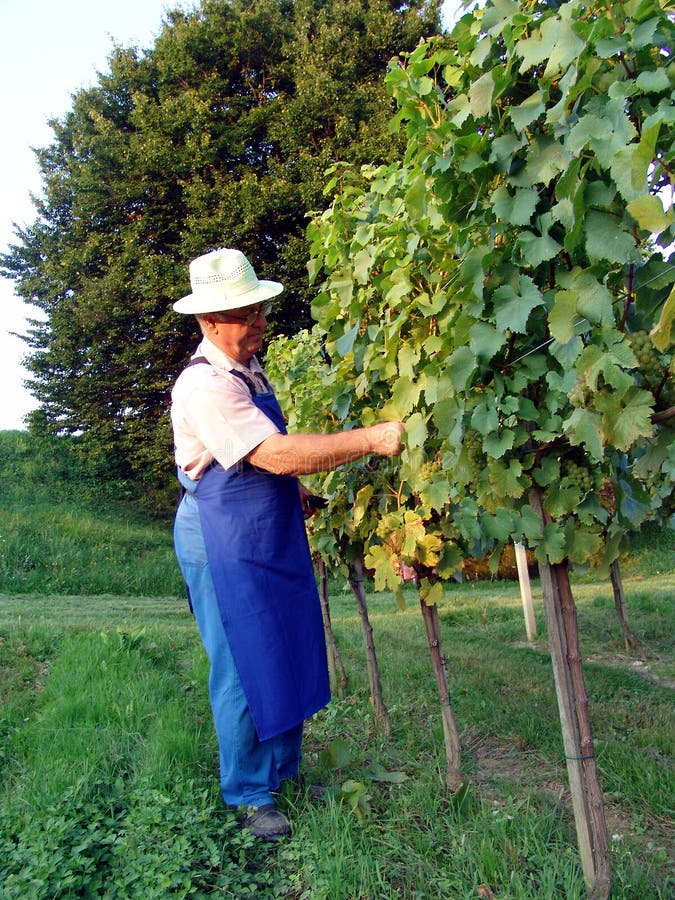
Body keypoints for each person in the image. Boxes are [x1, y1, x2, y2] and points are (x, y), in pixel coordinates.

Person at [170, 247, 405, 841]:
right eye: (244, 313)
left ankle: (284, 774)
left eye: (259, 309)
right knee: (242, 660)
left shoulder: (248, 369)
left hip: (265, 528)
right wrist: (369, 439)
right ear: (209, 322)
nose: (258, 321)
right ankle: (250, 793)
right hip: (222, 538)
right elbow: (271, 454)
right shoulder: (204, 385)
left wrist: (295, 492)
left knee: (284, 646)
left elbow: (257, 456)